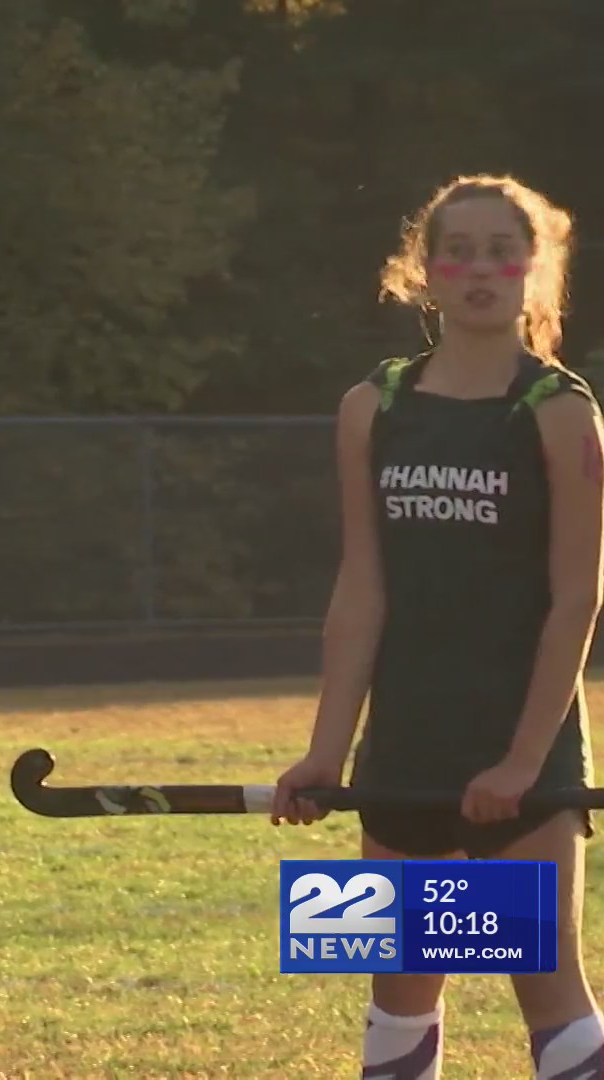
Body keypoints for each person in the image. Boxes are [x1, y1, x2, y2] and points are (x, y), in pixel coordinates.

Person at [272, 174, 603, 1080]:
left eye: (507, 251)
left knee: (548, 989)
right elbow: (362, 589)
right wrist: (325, 753)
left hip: (521, 755)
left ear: (534, 271)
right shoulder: (371, 407)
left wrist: (523, 764)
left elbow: (579, 597)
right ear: (425, 271)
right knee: (398, 993)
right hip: (404, 752)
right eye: (462, 250)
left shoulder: (560, 410)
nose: (483, 269)